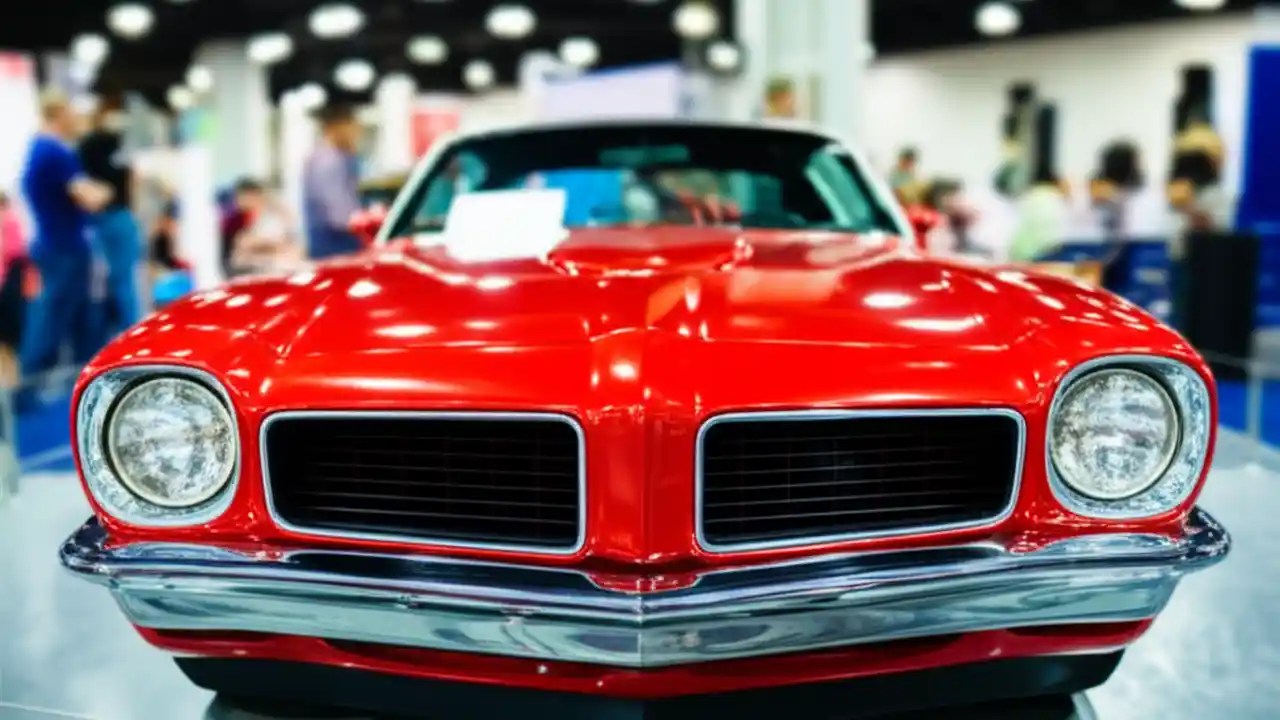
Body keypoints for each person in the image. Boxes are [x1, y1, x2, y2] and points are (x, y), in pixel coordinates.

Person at [18, 91, 111, 396]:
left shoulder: (38, 148)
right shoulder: (55, 152)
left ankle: (55, 392)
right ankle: (29, 397)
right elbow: (90, 197)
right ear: (59, 113)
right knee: (53, 322)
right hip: (64, 248)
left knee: (69, 319)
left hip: (57, 245)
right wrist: (108, 191)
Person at [79, 95, 141, 339]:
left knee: (102, 285)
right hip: (116, 216)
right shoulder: (118, 142)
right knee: (123, 282)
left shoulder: (85, 145)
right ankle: (130, 335)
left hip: (100, 218)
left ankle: (107, 336)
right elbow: (132, 177)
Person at [303, 105, 363, 260]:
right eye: (352, 127)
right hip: (335, 245)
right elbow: (340, 216)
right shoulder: (328, 162)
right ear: (335, 128)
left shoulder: (341, 158)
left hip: (337, 242)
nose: (357, 133)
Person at [224, 178, 303, 277]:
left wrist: (254, 243)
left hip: (278, 270)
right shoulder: (247, 218)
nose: (237, 201)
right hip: (257, 269)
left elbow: (283, 244)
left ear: (251, 194)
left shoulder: (277, 214)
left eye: (239, 196)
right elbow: (240, 251)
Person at [0, 193, 28, 387]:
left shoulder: (8, 221)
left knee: (7, 346)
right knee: (11, 346)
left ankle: (10, 390)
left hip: (8, 288)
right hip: (10, 289)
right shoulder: (11, 219)